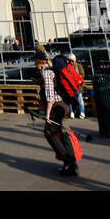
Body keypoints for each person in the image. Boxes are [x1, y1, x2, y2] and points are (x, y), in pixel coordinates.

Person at [34, 48, 78, 177]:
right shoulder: (53, 69)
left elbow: (50, 96)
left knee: (49, 133)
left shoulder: (47, 73)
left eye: (35, 63)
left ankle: (68, 161)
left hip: (57, 107)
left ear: (38, 62)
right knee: (62, 132)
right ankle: (71, 163)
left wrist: (47, 114)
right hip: (64, 104)